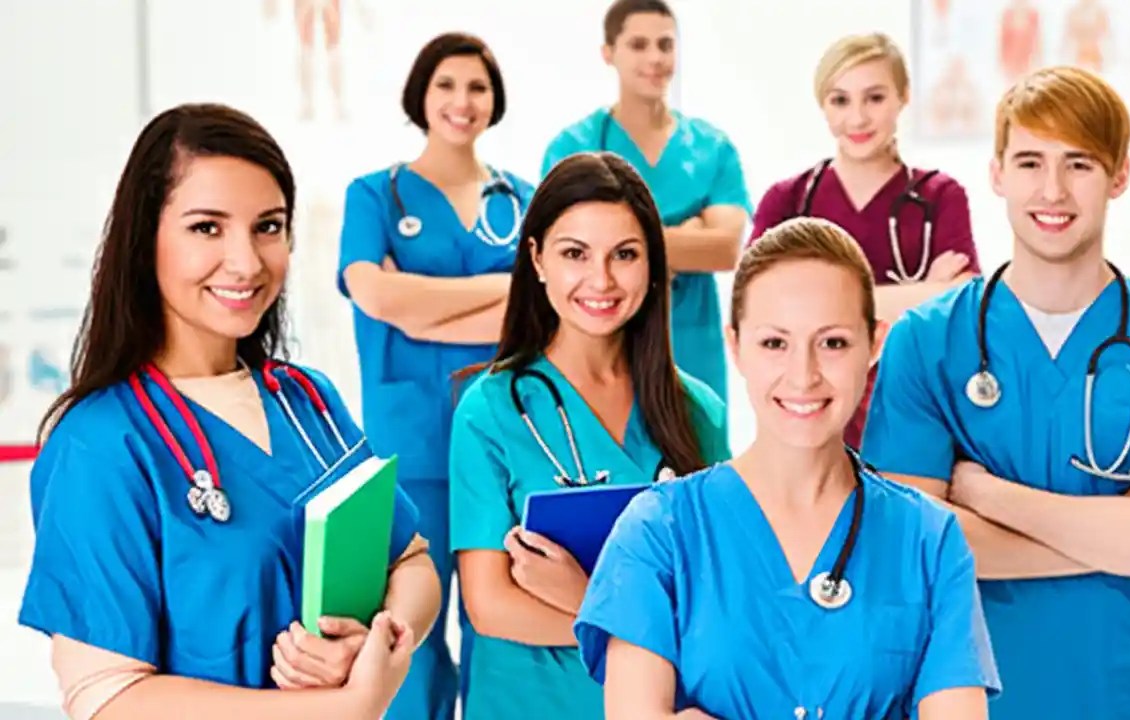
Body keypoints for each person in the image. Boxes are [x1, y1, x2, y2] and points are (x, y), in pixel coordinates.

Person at [17, 103, 439, 720]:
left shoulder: (307, 403)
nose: (246, 262)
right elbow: (107, 697)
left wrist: (379, 638)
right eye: (207, 228)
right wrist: (345, 706)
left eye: (268, 227)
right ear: (145, 239)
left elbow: (412, 561)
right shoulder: (102, 443)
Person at [862, 66, 1130, 720]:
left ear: (1120, 175)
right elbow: (917, 542)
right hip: (968, 693)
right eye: (1031, 161)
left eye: (1080, 164)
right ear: (997, 173)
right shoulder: (925, 344)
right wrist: (1115, 537)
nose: (1053, 190)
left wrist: (988, 495)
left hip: (1123, 690)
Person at [573, 216, 1000, 720]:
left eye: (833, 343)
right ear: (735, 347)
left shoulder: (928, 539)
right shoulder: (658, 532)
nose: (803, 375)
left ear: (875, 344)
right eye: (775, 343)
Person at [449, 152, 732, 720]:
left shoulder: (696, 410)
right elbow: (491, 605)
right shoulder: (492, 410)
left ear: (653, 264)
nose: (600, 280)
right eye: (575, 253)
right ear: (537, 259)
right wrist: (648, 629)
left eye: (624, 254)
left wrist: (583, 600)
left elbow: (719, 591)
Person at [336, 32, 534, 720]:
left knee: (498, 620)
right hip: (412, 441)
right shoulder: (374, 196)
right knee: (406, 631)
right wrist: (495, 295)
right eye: (446, 84)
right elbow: (375, 296)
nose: (462, 101)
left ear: (495, 100)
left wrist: (419, 310)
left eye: (477, 86)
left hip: (506, 443)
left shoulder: (524, 200)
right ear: (420, 94)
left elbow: (541, 310)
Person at [749, 32, 982, 448]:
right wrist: (921, 293)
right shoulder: (788, 201)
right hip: (810, 407)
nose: (857, 119)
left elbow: (961, 311)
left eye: (874, 98)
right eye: (840, 100)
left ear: (903, 97)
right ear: (823, 105)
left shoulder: (940, 197)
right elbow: (754, 310)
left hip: (913, 404)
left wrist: (819, 303)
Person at [540, 0, 751, 403]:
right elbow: (562, 248)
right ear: (609, 53)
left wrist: (622, 243)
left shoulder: (712, 147)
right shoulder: (573, 147)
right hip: (601, 339)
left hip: (689, 345)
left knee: (695, 452)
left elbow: (725, 249)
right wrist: (687, 235)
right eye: (638, 45)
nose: (655, 58)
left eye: (665, 45)